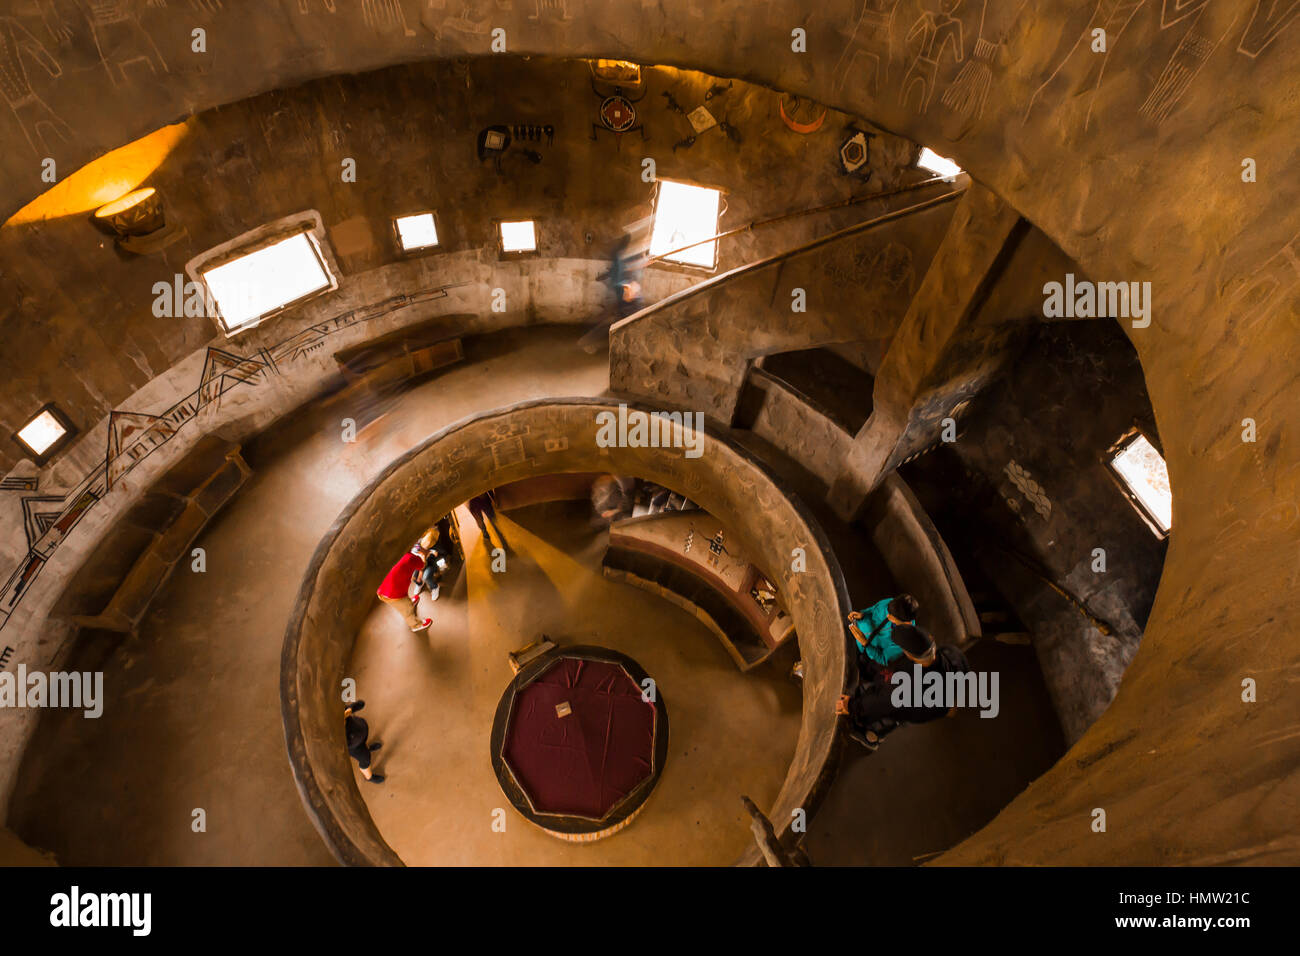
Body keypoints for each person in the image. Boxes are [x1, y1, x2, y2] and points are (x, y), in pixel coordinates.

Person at [847, 593, 919, 676]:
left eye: (892, 617)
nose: (887, 615)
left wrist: (866, 644)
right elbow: (873, 609)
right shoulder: (891, 603)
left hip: (858, 649)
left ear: (907, 623)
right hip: (855, 625)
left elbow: (882, 658)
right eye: (888, 612)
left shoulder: (903, 641)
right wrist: (863, 614)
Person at [376, 533, 436, 631]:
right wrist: (424, 554)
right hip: (393, 595)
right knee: (407, 611)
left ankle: (409, 602)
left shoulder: (394, 553)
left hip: (383, 588)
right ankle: (416, 625)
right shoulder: (410, 558)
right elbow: (422, 565)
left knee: (405, 600)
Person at [344, 700, 384, 783]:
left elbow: (360, 704)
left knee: (363, 742)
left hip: (357, 729)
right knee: (365, 759)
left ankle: (367, 747)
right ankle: (369, 777)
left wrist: (351, 708)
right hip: (353, 745)